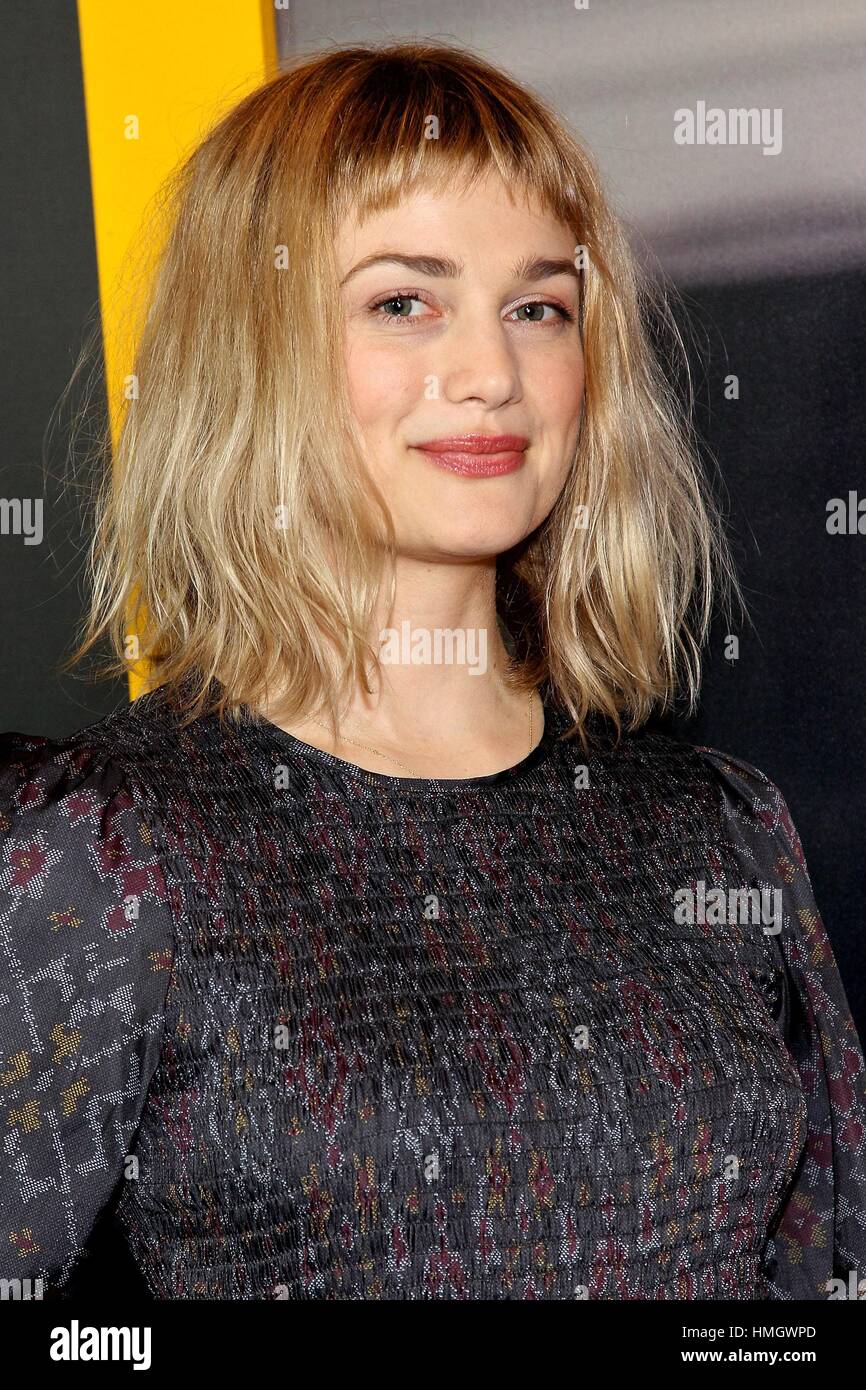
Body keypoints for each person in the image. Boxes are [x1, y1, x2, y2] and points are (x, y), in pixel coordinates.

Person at [1, 41, 864, 1301]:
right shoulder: (112, 854)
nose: (490, 374)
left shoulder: (719, 831)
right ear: (255, 348)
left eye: (537, 307)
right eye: (404, 301)